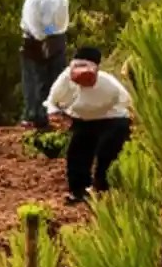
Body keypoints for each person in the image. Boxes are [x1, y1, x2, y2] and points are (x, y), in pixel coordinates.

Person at [45, 47, 133, 204]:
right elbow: (53, 100)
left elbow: (127, 102)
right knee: (76, 154)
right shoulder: (65, 79)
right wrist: (55, 113)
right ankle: (79, 191)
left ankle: (105, 191)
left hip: (113, 119)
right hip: (83, 120)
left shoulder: (109, 85)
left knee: (107, 154)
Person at [20, 0, 70, 129]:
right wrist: (50, 32)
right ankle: (58, 113)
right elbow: (62, 22)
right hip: (57, 40)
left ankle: (36, 116)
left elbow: (32, 21)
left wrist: (41, 36)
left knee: (34, 79)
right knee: (57, 77)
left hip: (33, 41)